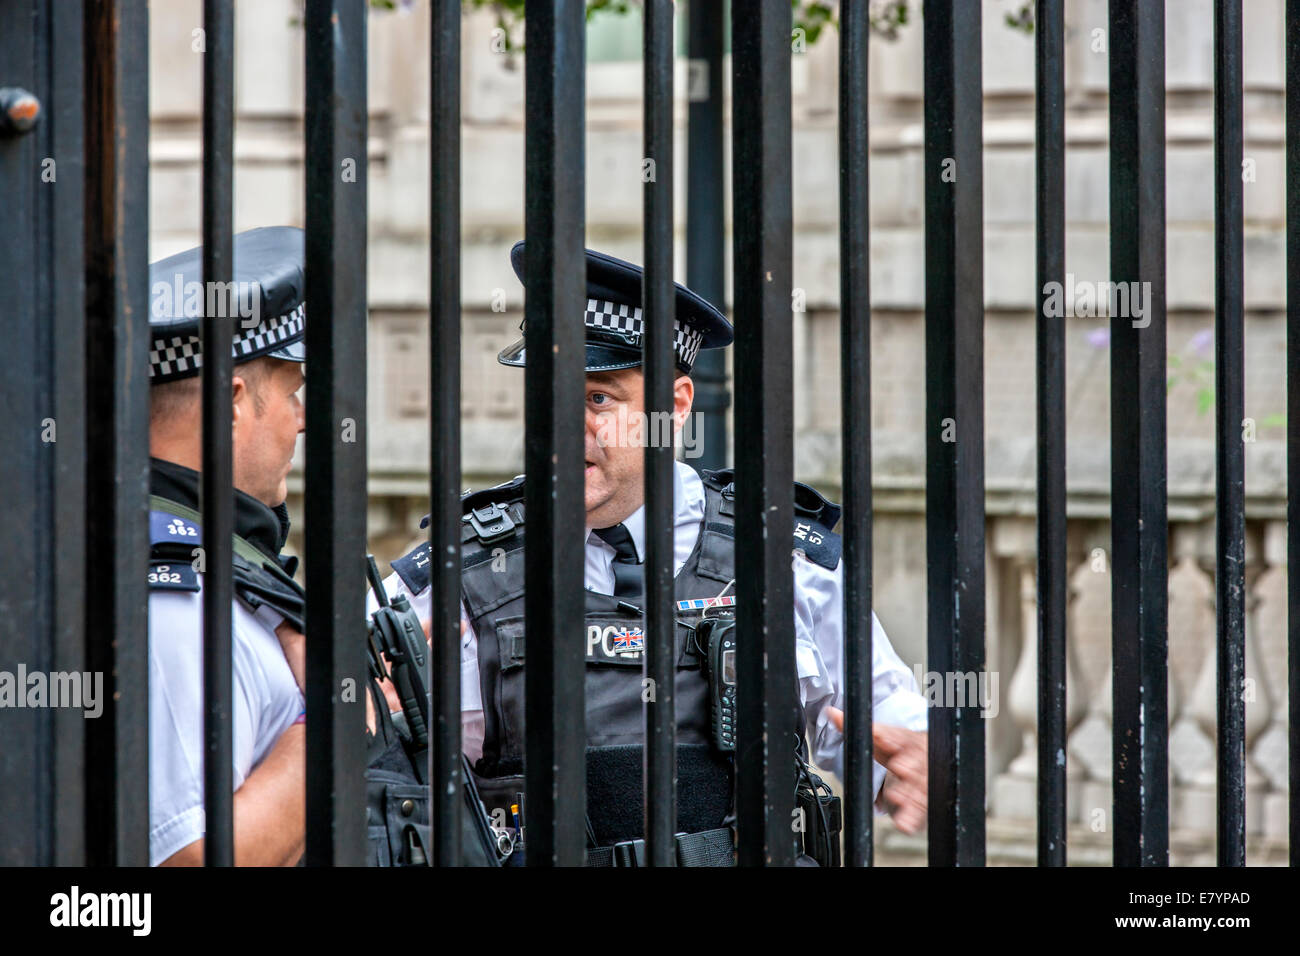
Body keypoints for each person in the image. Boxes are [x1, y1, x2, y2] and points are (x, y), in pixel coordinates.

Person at [381, 242, 929, 864]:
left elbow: (896, 729)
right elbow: (361, 771)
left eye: (597, 399)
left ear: (675, 406)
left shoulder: (779, 560)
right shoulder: (457, 574)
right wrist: (381, 730)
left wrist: (927, 760)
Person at [146, 226, 310, 866]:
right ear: (231, 403)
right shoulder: (174, 604)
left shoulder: (216, 568)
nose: (300, 418)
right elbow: (194, 859)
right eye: (291, 392)